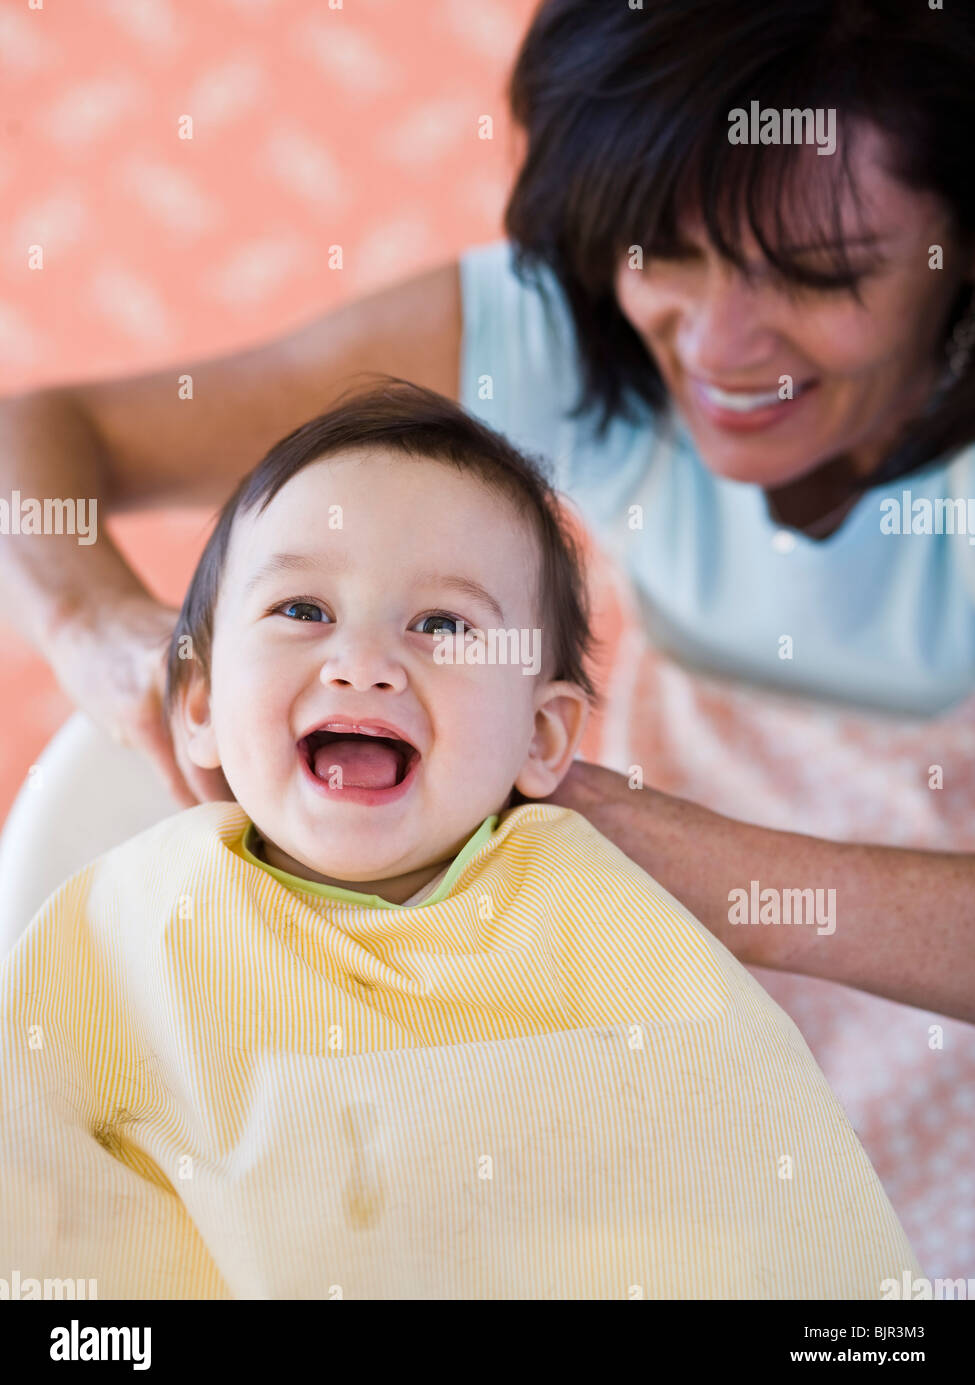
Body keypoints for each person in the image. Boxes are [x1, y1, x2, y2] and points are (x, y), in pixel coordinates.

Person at [0, 0, 972, 1268]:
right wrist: (99, 624)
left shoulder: (611, 904)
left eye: (821, 272)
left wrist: (702, 875)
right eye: (663, 249)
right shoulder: (560, 329)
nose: (720, 347)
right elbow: (39, 436)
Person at [0, 382, 921, 1298]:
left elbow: (736, 1197)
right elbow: (36, 1185)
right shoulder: (130, 918)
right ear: (196, 706)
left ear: (541, 737)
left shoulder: (605, 923)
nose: (363, 664)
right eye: (302, 610)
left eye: (442, 625)